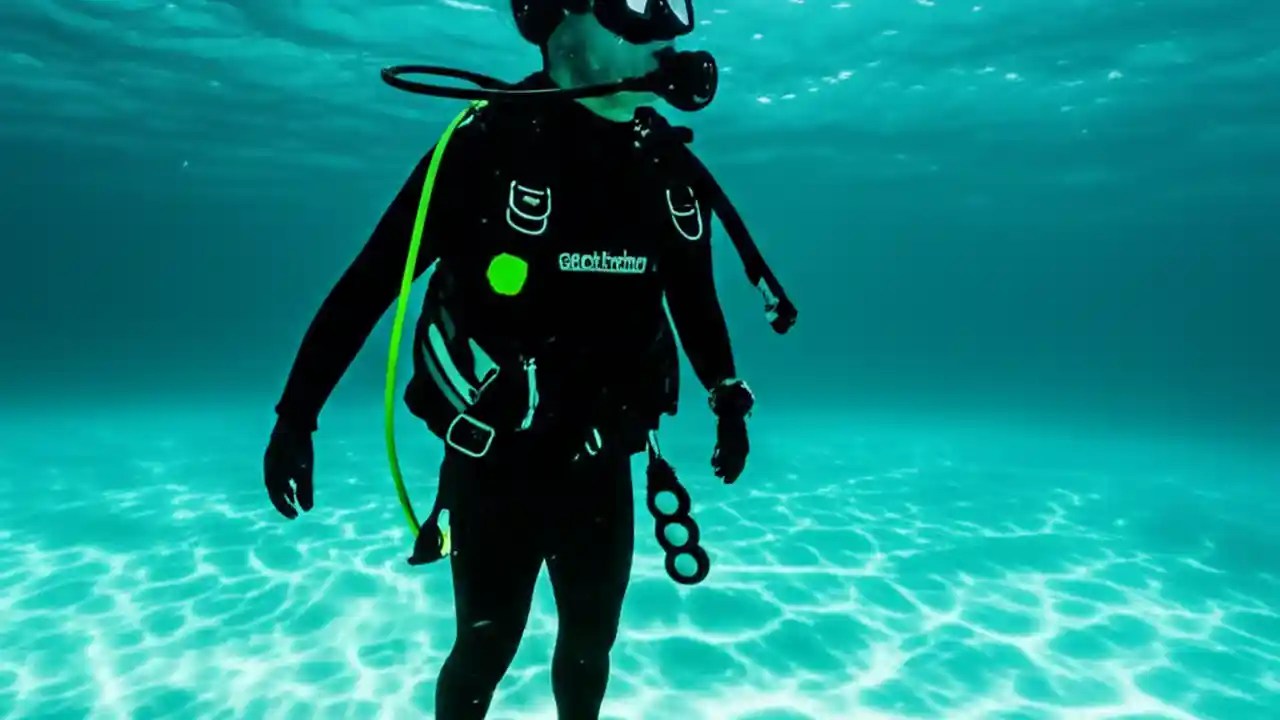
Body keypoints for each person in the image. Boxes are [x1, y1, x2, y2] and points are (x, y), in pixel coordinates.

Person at [263, 2, 796, 718]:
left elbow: (693, 296)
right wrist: (297, 416)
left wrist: (725, 394)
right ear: (566, 26)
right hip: (496, 470)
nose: (669, 34)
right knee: (484, 649)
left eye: (673, 11)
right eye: (637, 9)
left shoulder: (664, 168)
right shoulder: (486, 148)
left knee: (588, 648)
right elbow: (370, 283)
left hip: (603, 462)